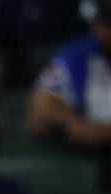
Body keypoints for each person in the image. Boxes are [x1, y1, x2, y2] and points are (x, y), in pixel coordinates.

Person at [27, 0, 111, 154]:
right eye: (106, 23)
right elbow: (41, 105)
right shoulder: (79, 54)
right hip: (93, 155)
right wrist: (73, 123)